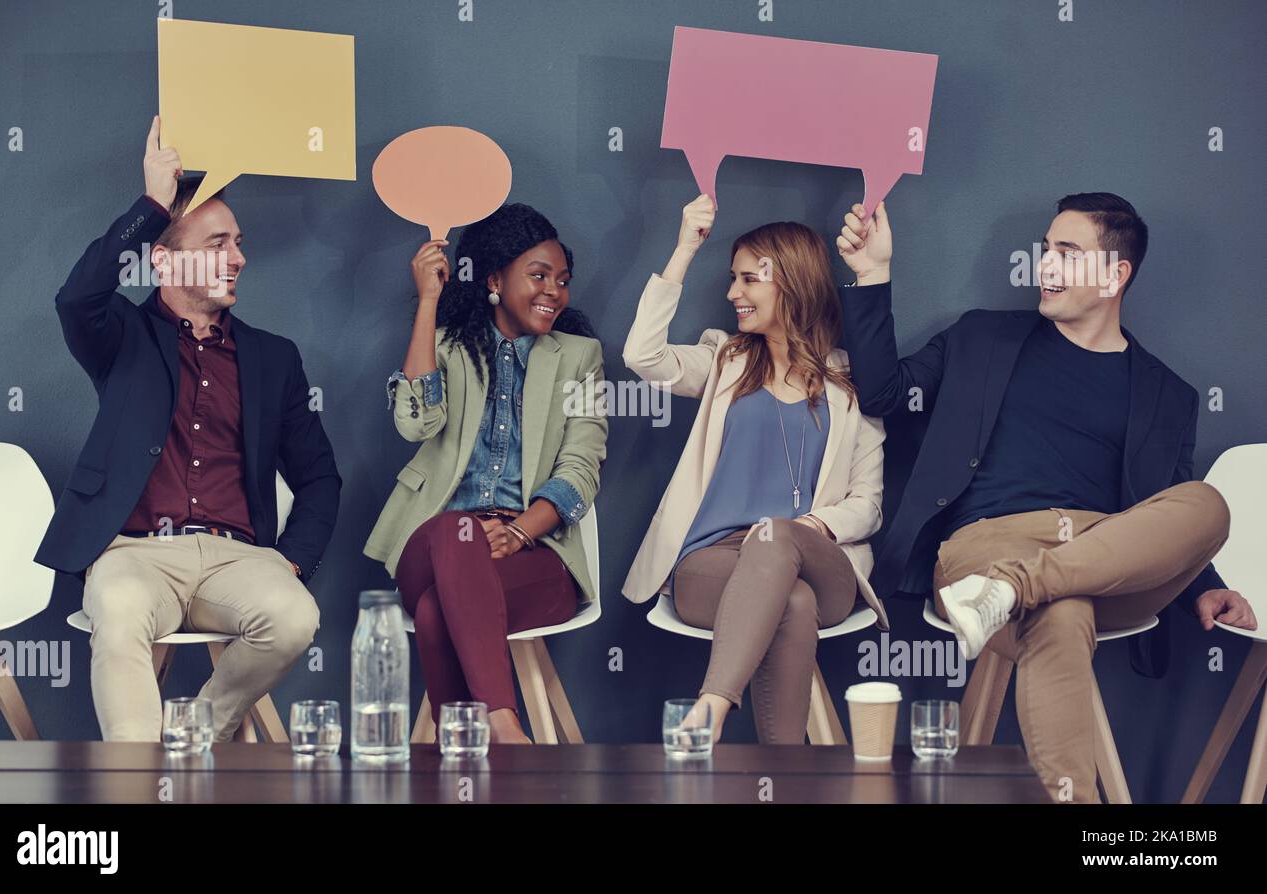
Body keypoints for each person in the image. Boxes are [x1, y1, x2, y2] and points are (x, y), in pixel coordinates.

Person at [836, 193, 1255, 801]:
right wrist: (872, 274)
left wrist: (1205, 583)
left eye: (1069, 252)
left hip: (1104, 560)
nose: (1046, 266)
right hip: (987, 545)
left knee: (1208, 505)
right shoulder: (982, 337)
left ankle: (1016, 587)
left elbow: (1162, 511)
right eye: (1046, 250)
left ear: (1116, 275)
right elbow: (881, 395)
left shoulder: (1171, 395)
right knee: (1061, 612)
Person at [36, 117, 341, 742]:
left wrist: (293, 561)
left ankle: (196, 734)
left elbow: (318, 477)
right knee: (117, 609)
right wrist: (153, 200)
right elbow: (76, 298)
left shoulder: (273, 358)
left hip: (237, 556)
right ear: (164, 261)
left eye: (238, 243)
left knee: (293, 617)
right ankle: (138, 780)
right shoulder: (122, 338)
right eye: (218, 244)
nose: (239, 258)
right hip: (135, 553)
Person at [622, 194, 888, 745]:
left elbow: (869, 503)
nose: (732, 294)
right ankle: (783, 770)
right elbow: (642, 357)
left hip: (817, 560)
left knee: (780, 548)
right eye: (732, 278)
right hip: (712, 564)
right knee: (792, 601)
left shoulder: (849, 382)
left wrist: (806, 530)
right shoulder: (724, 361)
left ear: (788, 282)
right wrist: (682, 250)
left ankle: (711, 707)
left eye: (748, 280)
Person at [364, 204, 607, 745]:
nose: (554, 292)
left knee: (435, 614)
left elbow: (581, 468)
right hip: (434, 543)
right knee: (458, 529)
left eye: (562, 281)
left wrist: (520, 531)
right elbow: (414, 421)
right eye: (539, 276)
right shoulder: (447, 346)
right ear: (494, 280)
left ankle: (465, 758)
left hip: (534, 554)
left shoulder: (581, 357)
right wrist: (428, 301)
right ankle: (504, 725)